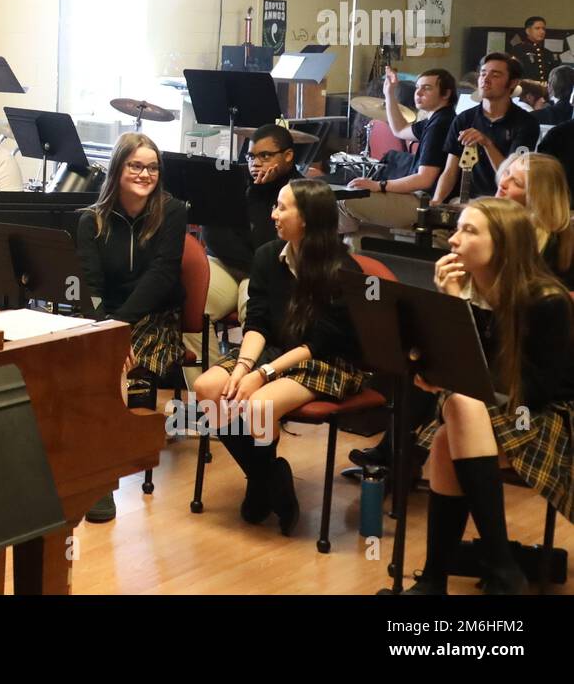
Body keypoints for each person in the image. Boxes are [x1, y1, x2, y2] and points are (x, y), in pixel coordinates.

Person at [406, 197, 574, 594]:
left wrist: (458, 381)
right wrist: (448, 308)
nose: (454, 240)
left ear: (504, 242)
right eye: (457, 228)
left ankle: (449, 575)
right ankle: (490, 570)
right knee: (453, 426)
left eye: (469, 231)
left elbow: (536, 389)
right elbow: (442, 361)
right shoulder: (463, 288)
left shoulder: (547, 300)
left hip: (541, 416)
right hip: (480, 410)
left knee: (457, 416)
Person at [191, 180, 364, 536]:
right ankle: (268, 477)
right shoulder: (268, 255)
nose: (272, 215)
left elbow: (320, 342)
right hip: (276, 349)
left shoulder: (342, 269)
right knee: (209, 388)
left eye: (282, 208)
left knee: (258, 406)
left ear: (309, 218)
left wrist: (263, 374)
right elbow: (257, 323)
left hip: (327, 359)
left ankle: (262, 486)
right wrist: (243, 367)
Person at [76, 133, 187, 523]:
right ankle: (81, 467)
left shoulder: (172, 212)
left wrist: (119, 327)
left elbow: (162, 276)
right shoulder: (90, 220)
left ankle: (102, 479)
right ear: (118, 169)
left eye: (152, 167)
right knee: (79, 367)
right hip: (105, 320)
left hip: (154, 317)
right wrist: (106, 327)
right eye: (136, 165)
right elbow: (89, 286)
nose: (145, 174)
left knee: (109, 372)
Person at [191, 124, 301, 357]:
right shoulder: (235, 179)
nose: (255, 163)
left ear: (288, 156)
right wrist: (253, 191)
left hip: (269, 272)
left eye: (265, 156)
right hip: (229, 265)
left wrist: (260, 194)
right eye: (251, 156)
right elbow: (212, 234)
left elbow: (269, 245)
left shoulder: (299, 192)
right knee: (190, 306)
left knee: (256, 315)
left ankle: (249, 380)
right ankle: (212, 380)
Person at [339, 66, 456, 236]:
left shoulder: (441, 124)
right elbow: (400, 130)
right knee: (354, 217)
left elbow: (425, 179)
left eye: (427, 88)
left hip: (424, 202)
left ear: (446, 94)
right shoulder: (437, 119)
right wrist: (389, 94)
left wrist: (379, 185)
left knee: (342, 200)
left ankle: (334, 252)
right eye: (417, 87)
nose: (419, 93)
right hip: (418, 197)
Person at [431, 53, 539, 204]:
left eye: (495, 75)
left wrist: (487, 144)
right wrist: (436, 201)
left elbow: (513, 177)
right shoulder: (464, 119)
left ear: (513, 82)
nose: (485, 80)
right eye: (483, 74)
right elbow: (450, 170)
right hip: (464, 200)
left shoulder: (526, 123)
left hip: (504, 202)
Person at [496, 151, 574, 288]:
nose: (503, 183)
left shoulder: (549, 242)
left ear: (536, 197)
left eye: (517, 183)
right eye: (507, 173)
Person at [509, 15, 558, 81]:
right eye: (537, 28)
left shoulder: (547, 53)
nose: (542, 32)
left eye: (543, 29)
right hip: (525, 89)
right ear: (528, 31)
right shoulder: (518, 50)